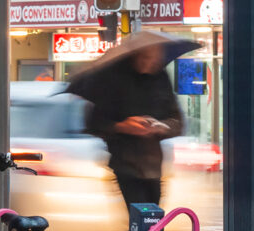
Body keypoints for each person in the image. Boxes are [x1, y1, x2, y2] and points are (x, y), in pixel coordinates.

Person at [68, 31, 186, 211]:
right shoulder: (113, 79)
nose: (151, 62)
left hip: (153, 166)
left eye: (156, 57)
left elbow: (178, 122)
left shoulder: (161, 78)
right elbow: (93, 122)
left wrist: (161, 127)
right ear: (136, 55)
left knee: (154, 220)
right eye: (146, 57)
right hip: (126, 164)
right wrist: (123, 126)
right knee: (140, 219)